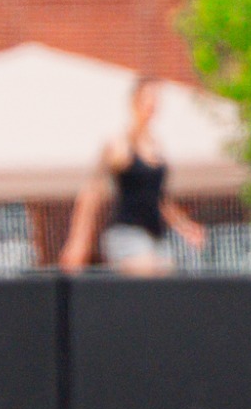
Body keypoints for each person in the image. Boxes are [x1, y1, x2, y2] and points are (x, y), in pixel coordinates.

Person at [60, 76, 206, 276]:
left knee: (168, 273)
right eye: (148, 98)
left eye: (156, 98)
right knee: (150, 269)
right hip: (126, 235)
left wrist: (185, 227)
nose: (153, 104)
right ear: (135, 101)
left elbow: (159, 199)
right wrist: (78, 242)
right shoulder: (119, 145)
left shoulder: (156, 146)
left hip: (155, 236)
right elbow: (92, 192)